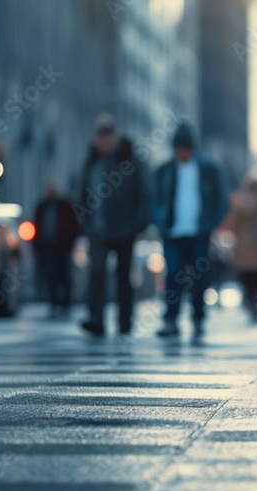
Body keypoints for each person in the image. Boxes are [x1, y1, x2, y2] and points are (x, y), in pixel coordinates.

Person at [151, 122, 228, 338]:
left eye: (186, 148)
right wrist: (159, 221)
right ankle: (171, 320)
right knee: (173, 275)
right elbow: (154, 199)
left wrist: (210, 223)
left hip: (199, 234)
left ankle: (198, 317)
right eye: (179, 148)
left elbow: (221, 199)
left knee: (199, 277)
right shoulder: (164, 171)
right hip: (172, 233)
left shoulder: (208, 169)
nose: (183, 153)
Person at [78, 114, 150, 336]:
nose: (104, 139)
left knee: (123, 277)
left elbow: (144, 193)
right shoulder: (91, 161)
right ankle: (96, 319)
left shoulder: (130, 159)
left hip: (125, 230)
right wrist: (86, 223)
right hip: (98, 230)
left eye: (108, 134)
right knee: (96, 275)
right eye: (100, 134)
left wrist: (138, 223)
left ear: (115, 135)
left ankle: (125, 322)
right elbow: (82, 195)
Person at [226, 176, 257, 322]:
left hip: (244, 246)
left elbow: (233, 223)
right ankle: (254, 302)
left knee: (247, 277)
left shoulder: (238, 201)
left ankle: (251, 301)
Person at [32, 181, 80, 318]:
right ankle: (54, 303)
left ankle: (65, 304)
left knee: (64, 275)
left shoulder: (65, 206)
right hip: (47, 247)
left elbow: (74, 225)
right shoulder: (42, 207)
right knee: (50, 277)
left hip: (63, 247)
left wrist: (69, 242)